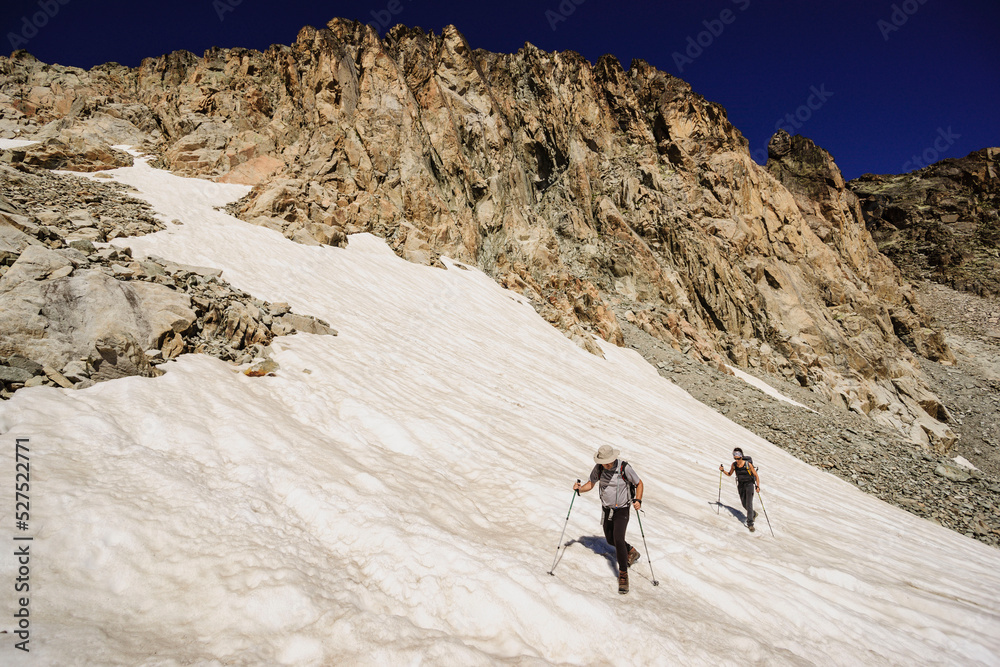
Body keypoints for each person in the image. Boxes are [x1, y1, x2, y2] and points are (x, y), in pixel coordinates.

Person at [573, 444, 643, 594]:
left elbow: (639, 483)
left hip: (622, 508)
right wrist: (579, 489)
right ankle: (631, 551)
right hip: (607, 509)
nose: (606, 464)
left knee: (618, 538)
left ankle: (623, 574)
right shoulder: (598, 468)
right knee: (611, 540)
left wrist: (638, 500)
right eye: (604, 462)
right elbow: (591, 484)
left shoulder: (624, 468)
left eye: (609, 461)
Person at [720, 447, 759, 531]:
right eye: (735, 458)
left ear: (741, 456)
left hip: (749, 485)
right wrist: (723, 471)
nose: (737, 460)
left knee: (749, 503)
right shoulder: (734, 465)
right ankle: (753, 513)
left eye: (738, 458)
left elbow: (756, 475)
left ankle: (750, 523)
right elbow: (730, 474)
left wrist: (757, 486)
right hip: (740, 485)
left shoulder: (748, 464)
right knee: (744, 504)